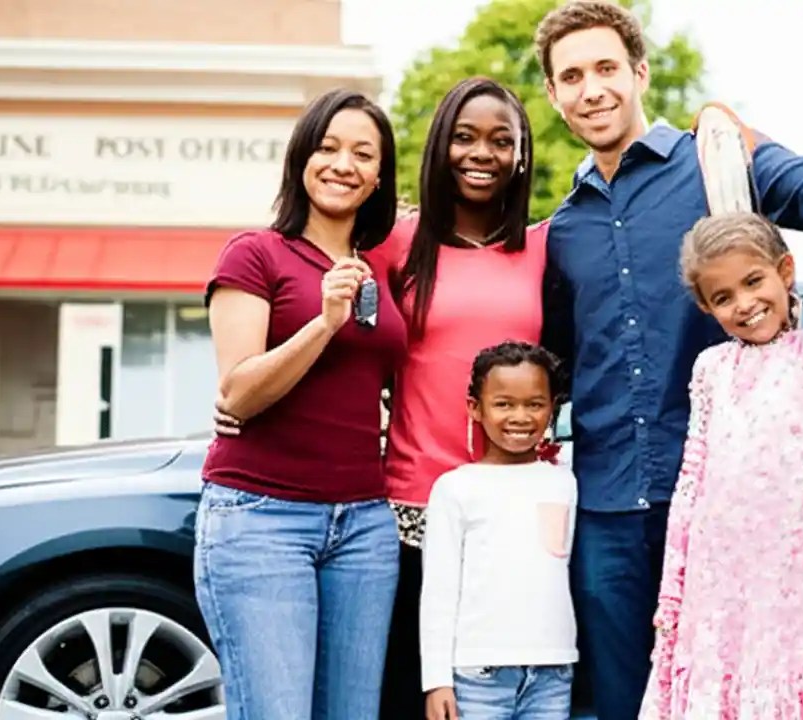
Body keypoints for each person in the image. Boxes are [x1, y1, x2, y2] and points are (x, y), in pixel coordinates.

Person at [530, 2, 803, 718]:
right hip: (605, 505)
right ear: (553, 94)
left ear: (639, 73)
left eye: (607, 68)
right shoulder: (563, 229)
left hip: (720, 511)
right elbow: (556, 364)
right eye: (571, 76)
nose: (591, 89)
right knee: (619, 702)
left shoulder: (720, 156)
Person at [639, 121, 803, 718]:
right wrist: (674, 592)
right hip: (712, 593)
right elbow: (691, 483)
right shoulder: (711, 369)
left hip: (789, 586)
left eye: (754, 282)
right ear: (706, 306)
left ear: (785, 272)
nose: (744, 304)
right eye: (723, 297)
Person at [194, 87, 406, 720]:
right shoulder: (255, 253)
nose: (344, 163)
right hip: (262, 518)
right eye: (329, 146)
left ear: (377, 178)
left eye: (363, 154)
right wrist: (323, 322)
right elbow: (239, 392)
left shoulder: (378, 270)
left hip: (365, 524)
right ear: (301, 159)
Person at [369, 77, 551, 719]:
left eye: (501, 140)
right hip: (414, 507)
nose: (483, 153)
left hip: (515, 511)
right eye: (466, 137)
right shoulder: (394, 242)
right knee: (413, 695)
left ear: (521, 154)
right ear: (442, 144)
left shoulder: (542, 249)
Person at [420, 341, 578, 720]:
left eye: (534, 404)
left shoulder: (565, 482)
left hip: (552, 671)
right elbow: (439, 592)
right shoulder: (454, 488)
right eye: (504, 404)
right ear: (476, 407)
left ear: (552, 407)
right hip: (478, 676)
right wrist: (436, 680)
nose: (520, 416)